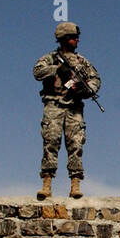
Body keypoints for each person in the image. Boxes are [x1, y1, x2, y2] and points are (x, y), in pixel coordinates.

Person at [32, 22, 100, 199]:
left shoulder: (82, 62)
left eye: (76, 37)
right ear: (63, 39)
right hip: (53, 105)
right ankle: (47, 184)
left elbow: (95, 80)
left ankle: (75, 184)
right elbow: (37, 72)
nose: (76, 40)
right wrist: (57, 70)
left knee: (76, 144)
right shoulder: (50, 58)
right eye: (72, 37)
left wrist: (85, 90)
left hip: (74, 107)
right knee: (51, 142)